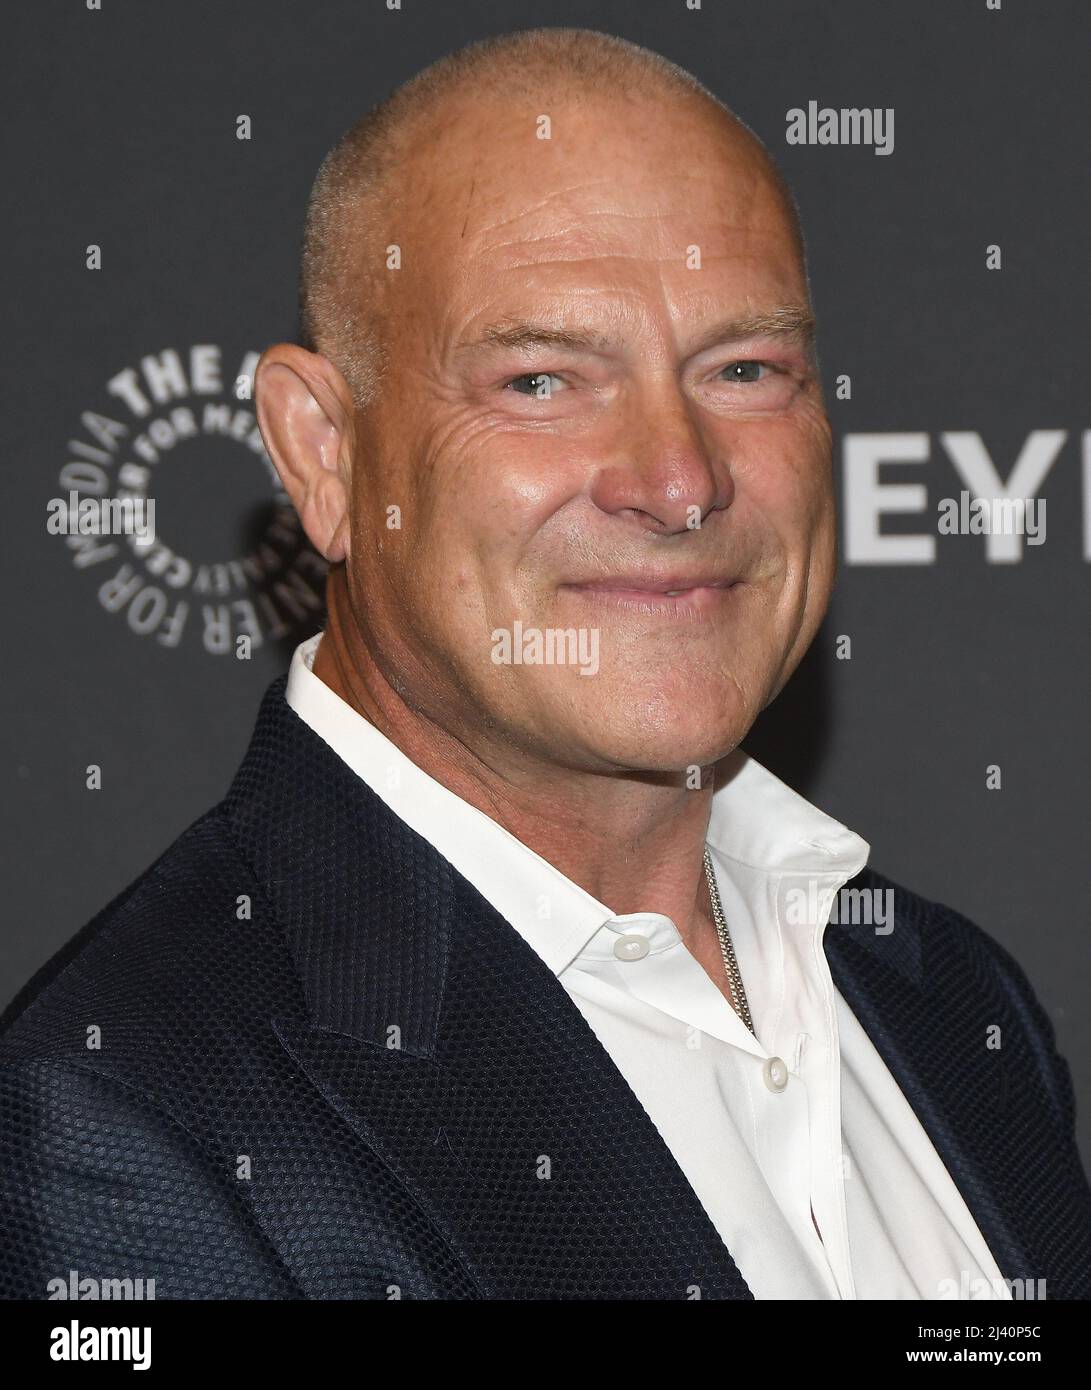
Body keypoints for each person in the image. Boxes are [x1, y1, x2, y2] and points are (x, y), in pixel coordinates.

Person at [2, 26, 1089, 1301]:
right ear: (322, 456)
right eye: (539, 380)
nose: (678, 480)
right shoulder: (126, 1119)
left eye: (744, 369)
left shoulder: (945, 996)